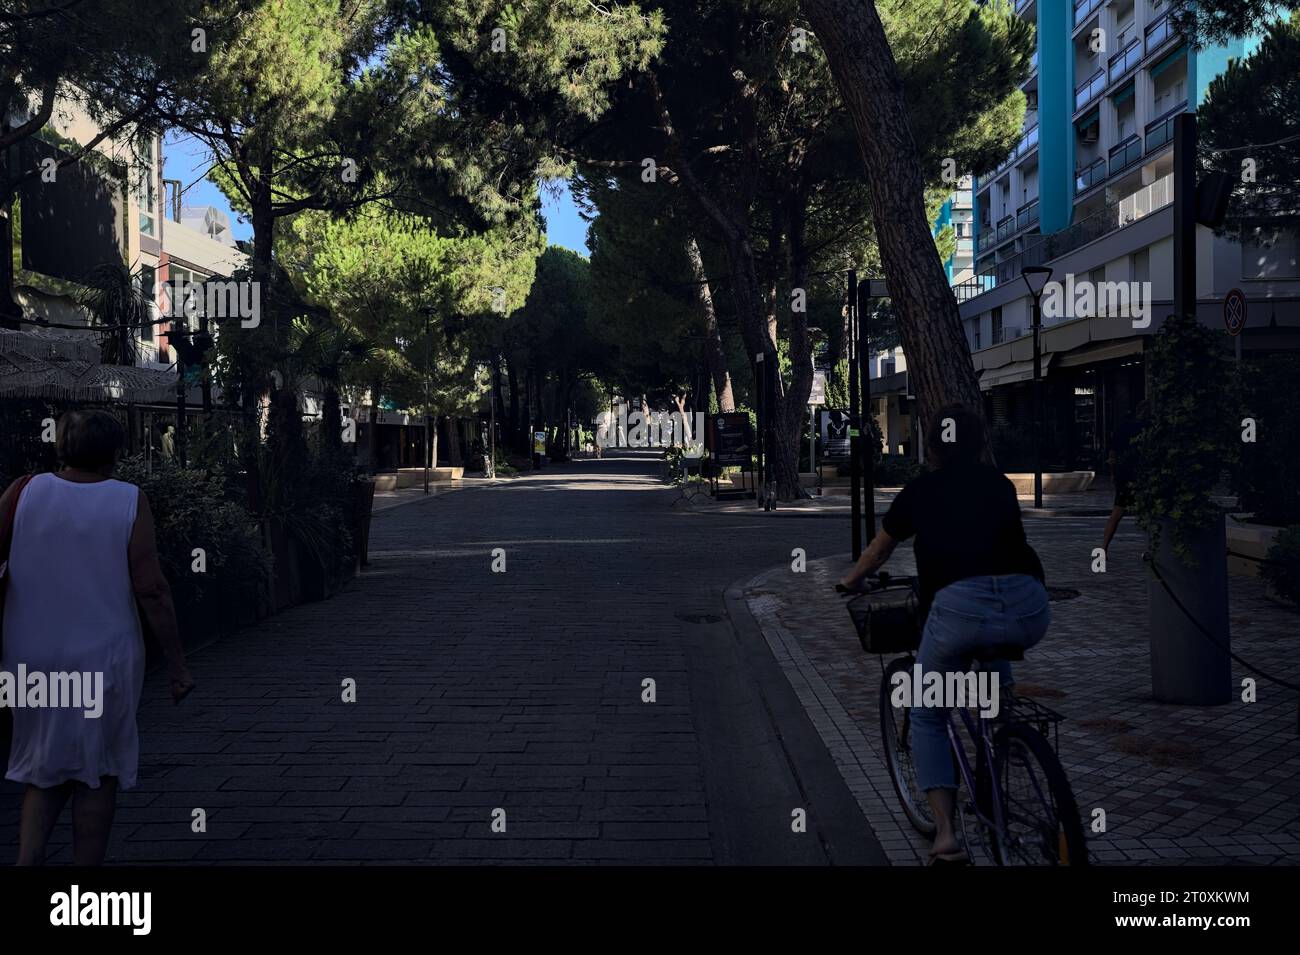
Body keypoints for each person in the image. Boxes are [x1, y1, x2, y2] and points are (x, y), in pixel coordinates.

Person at [839, 404, 1047, 864]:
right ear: (979, 445)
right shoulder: (999, 484)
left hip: (958, 607)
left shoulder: (920, 490)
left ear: (931, 448)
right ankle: (1003, 720)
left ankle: (947, 835)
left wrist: (851, 581)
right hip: (1029, 603)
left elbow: (878, 550)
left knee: (928, 712)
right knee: (990, 644)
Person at [0, 410, 194, 865]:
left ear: (62, 446)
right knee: (97, 770)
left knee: (43, 769)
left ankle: (28, 862)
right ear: (114, 451)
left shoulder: (24, 491)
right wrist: (178, 665)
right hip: (102, 658)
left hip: (31, 656)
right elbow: (150, 587)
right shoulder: (127, 499)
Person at [1101, 400, 1149, 556]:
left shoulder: (1122, 427)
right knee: (1149, 513)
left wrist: (1113, 473)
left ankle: (1104, 548)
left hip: (1124, 474)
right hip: (1142, 474)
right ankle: (1152, 549)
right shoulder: (1149, 428)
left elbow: (1112, 454)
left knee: (1117, 513)